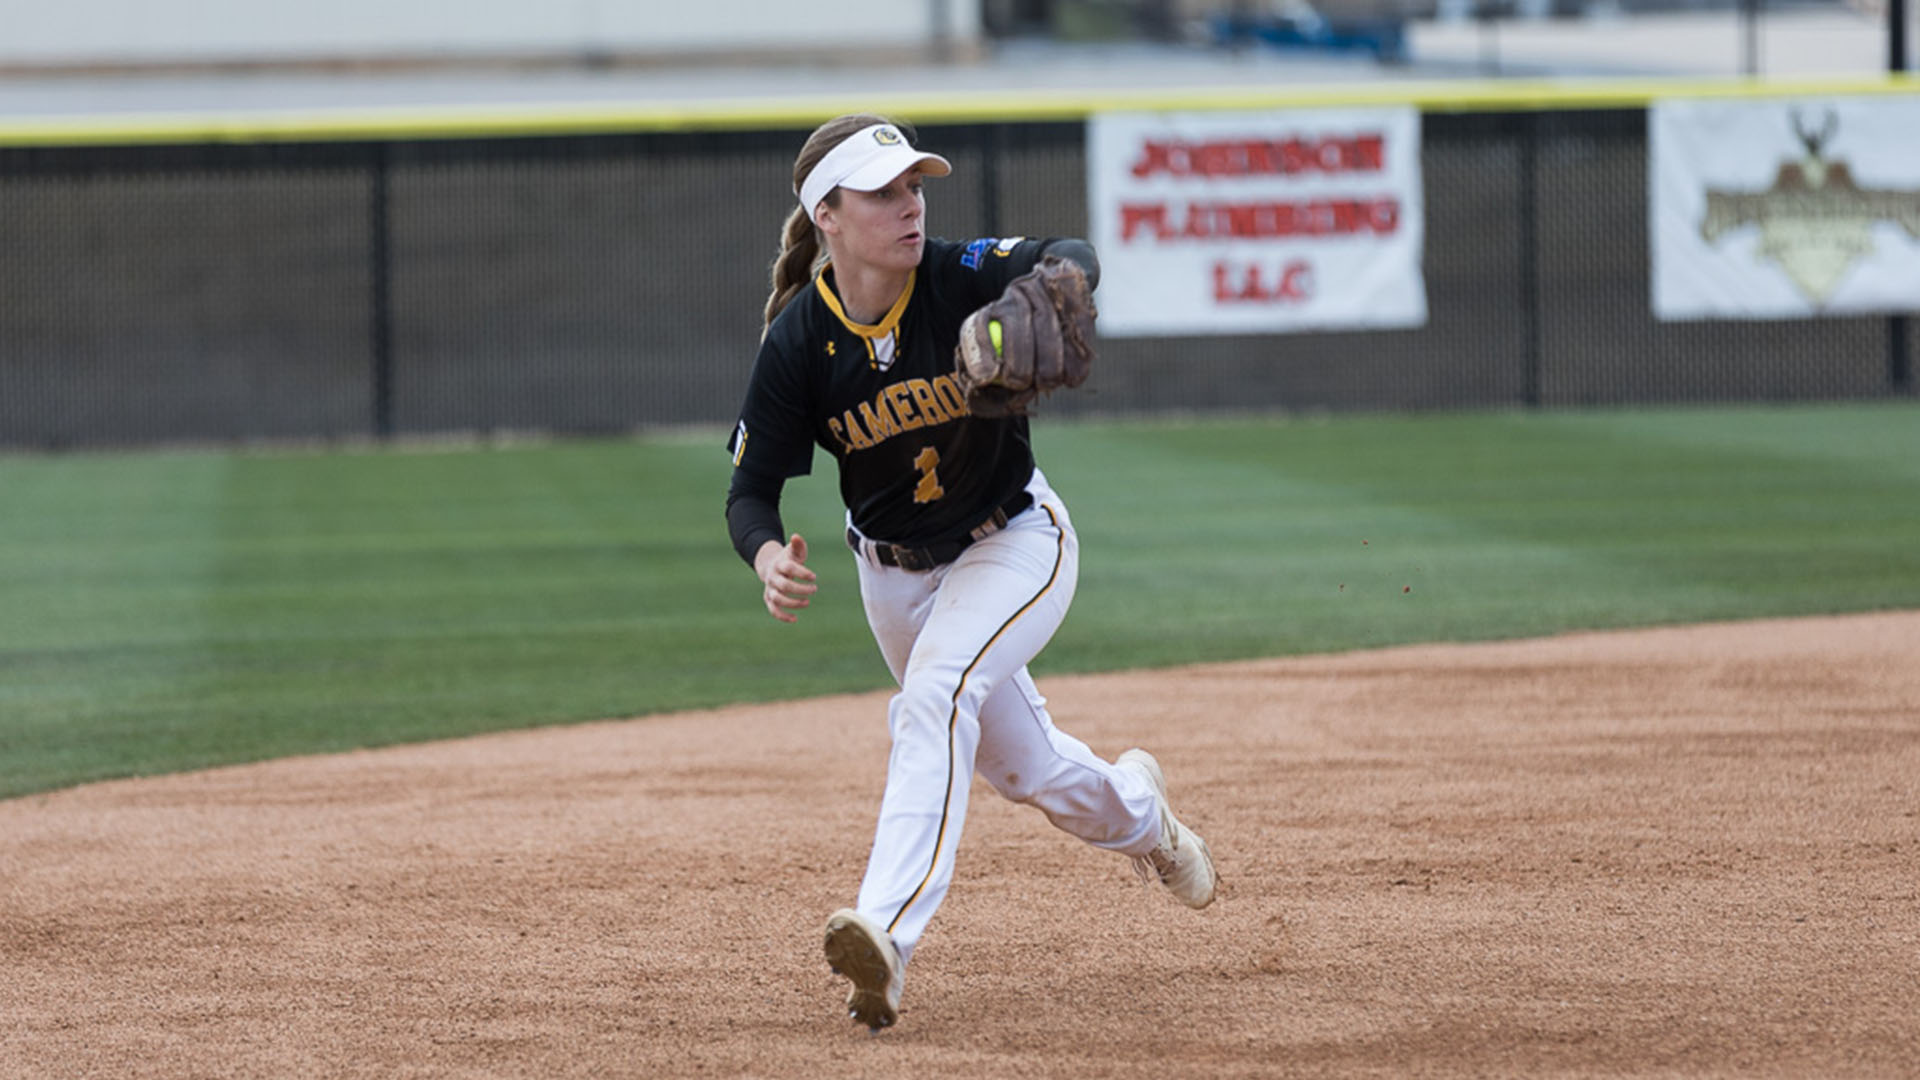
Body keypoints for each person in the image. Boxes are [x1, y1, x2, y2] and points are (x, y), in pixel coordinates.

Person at [723, 113, 1218, 1034]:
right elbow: (749, 492)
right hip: (894, 577)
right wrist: (764, 558)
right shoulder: (799, 344)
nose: (910, 205)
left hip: (1017, 541)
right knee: (1032, 772)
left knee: (936, 694)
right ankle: (1148, 819)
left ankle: (886, 935)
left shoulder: (956, 275)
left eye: (915, 186)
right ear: (826, 214)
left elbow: (1069, 252)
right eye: (883, 191)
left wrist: (1060, 281)